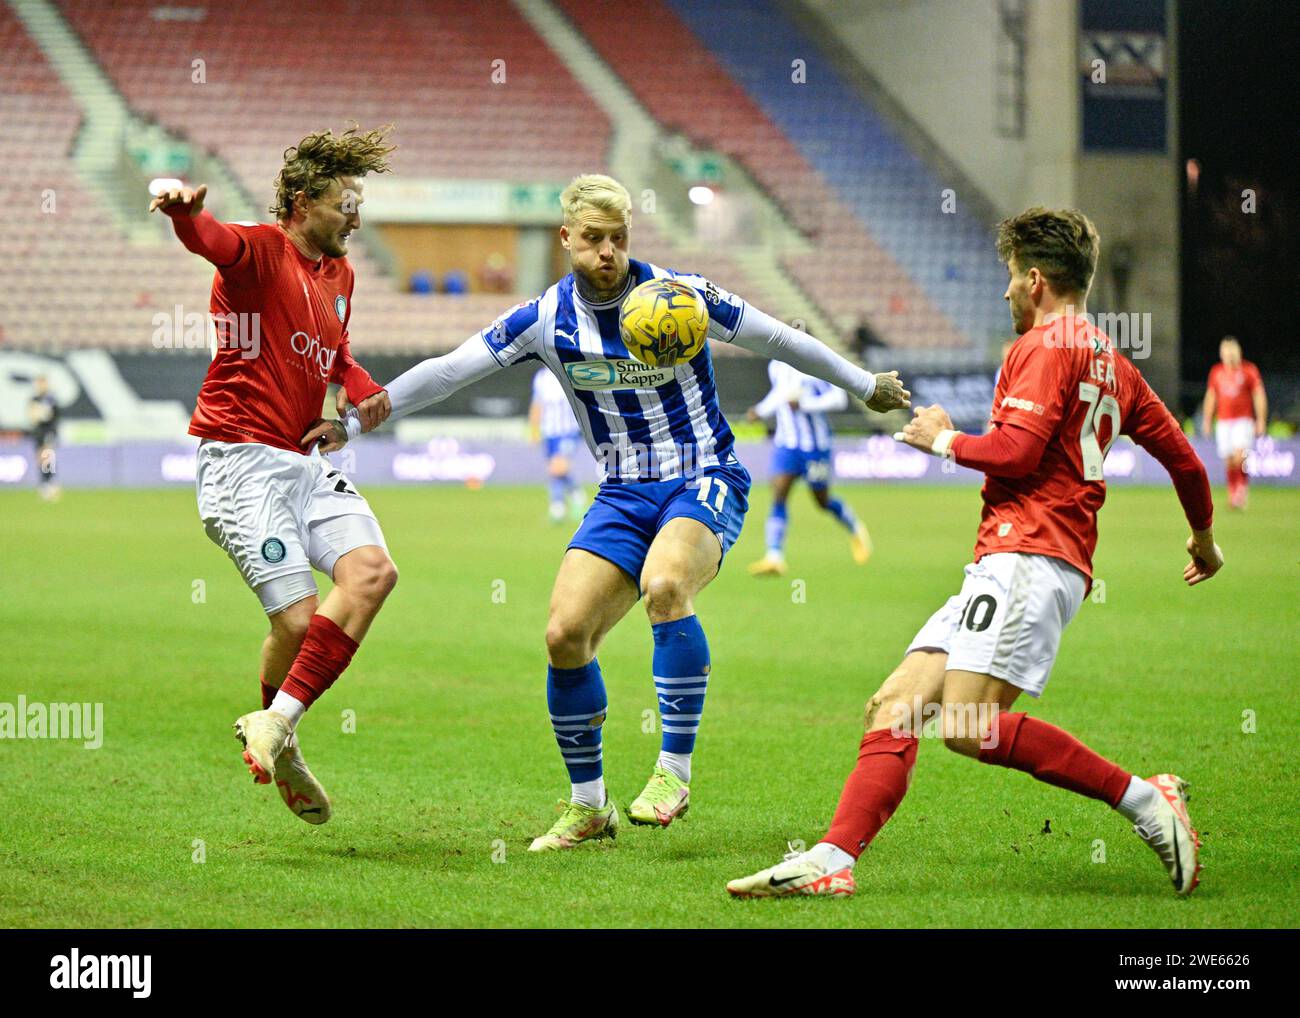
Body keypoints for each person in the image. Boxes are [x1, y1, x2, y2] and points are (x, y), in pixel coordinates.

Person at [328, 174, 909, 849]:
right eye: (594, 240)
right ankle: (588, 807)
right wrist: (358, 423)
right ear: (567, 238)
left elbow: (776, 338)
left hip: (703, 475)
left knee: (667, 584)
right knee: (563, 633)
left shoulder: (681, 297)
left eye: (619, 239)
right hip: (621, 493)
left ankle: (673, 772)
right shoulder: (545, 319)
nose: (608, 252)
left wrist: (865, 385)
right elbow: (452, 368)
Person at [727, 207, 1221, 899]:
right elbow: (1188, 464)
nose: (1007, 291)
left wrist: (941, 439)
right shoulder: (1115, 365)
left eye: (1013, 278)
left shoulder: (1044, 347)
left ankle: (1145, 800)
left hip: (1031, 557)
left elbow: (1015, 453)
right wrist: (1203, 537)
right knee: (894, 704)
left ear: (1038, 280)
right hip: (1015, 562)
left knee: (964, 725)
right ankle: (834, 858)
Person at [150, 125, 399, 824]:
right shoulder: (259, 253)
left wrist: (356, 383)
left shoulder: (340, 275)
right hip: (241, 462)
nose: (356, 216)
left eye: (359, 203)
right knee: (295, 620)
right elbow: (212, 241)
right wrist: (184, 215)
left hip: (305, 458)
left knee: (373, 575)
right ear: (300, 202)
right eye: (344, 203)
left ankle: (275, 725)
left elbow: (337, 348)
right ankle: (282, 741)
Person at [746, 359, 870, 575]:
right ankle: (774, 556)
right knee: (779, 496)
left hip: (815, 446)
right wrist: (761, 411)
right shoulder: (776, 365)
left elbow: (838, 400)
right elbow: (779, 394)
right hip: (786, 445)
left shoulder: (816, 364)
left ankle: (856, 528)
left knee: (822, 501)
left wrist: (805, 404)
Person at [1201, 336, 1266, 510]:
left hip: (1243, 420)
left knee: (1240, 456)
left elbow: (1258, 395)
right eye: (1226, 351)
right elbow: (1211, 397)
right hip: (1223, 421)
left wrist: (1260, 419)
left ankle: (1241, 490)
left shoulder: (1248, 370)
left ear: (1238, 352)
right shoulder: (1217, 372)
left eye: (1232, 351)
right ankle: (1233, 492)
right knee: (1229, 460)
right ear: (1221, 354)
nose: (1229, 355)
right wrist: (1207, 420)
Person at [529, 365, 585, 523]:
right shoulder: (541, 377)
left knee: (558, 467)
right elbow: (537, 404)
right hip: (549, 431)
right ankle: (575, 497)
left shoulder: (569, 373)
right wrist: (534, 429)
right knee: (555, 470)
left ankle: (558, 507)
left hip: (568, 430)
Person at [27, 375, 60, 501]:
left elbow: (53, 416)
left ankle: (50, 483)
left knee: (47, 455)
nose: (41, 386)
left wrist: (41, 414)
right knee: (40, 458)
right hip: (38, 431)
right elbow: (32, 416)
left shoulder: (51, 398)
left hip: (49, 431)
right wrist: (38, 415)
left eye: (43, 383)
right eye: (39, 383)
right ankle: (45, 483)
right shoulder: (34, 398)